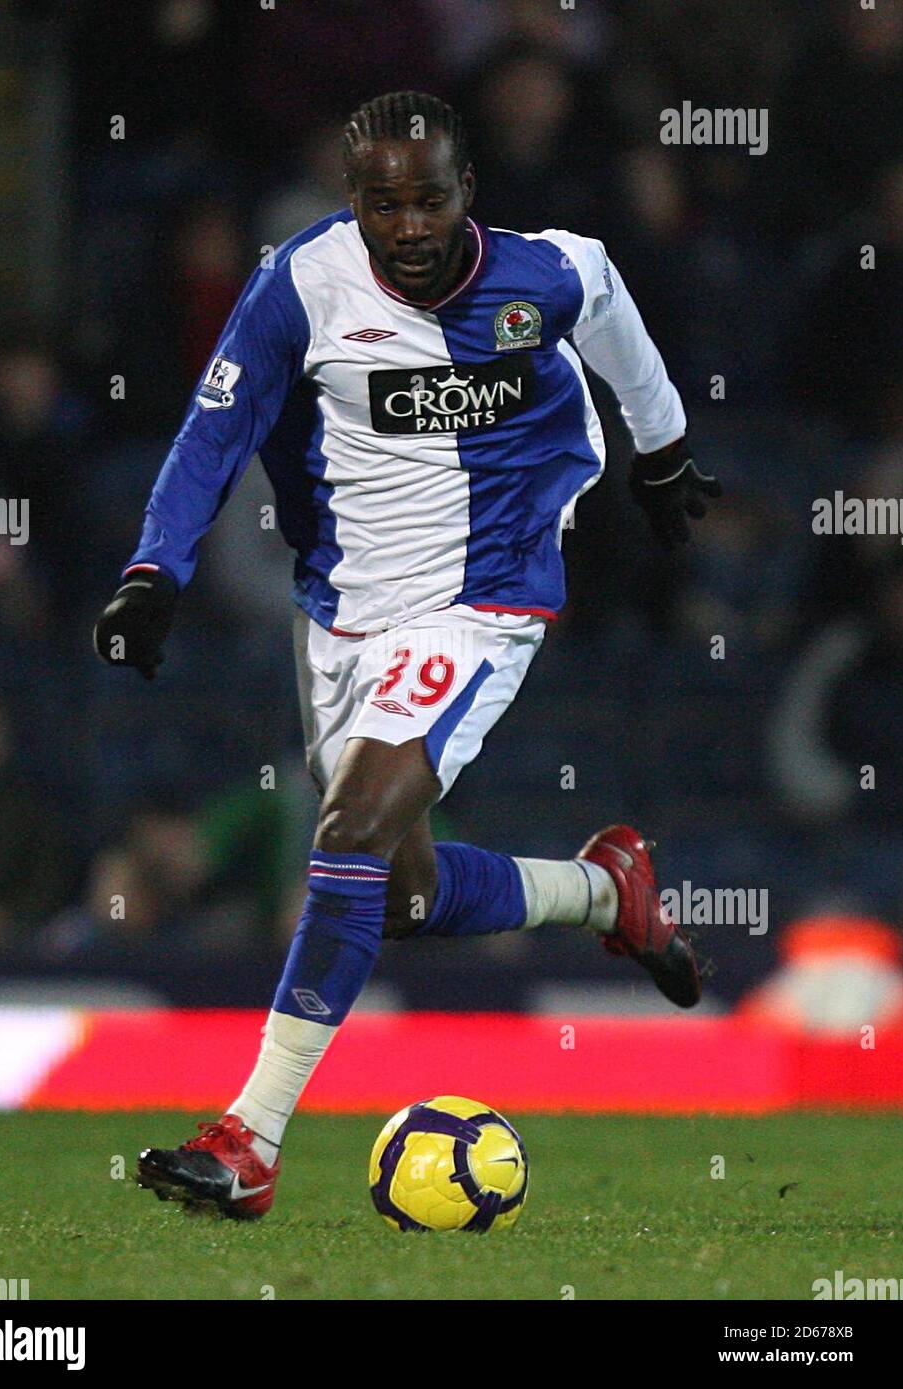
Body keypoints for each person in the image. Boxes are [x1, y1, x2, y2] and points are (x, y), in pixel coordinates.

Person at [94, 92, 719, 1220]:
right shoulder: (298, 284)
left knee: (349, 827)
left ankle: (250, 1139)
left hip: (485, 594)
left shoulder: (550, 275)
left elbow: (620, 320)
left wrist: (664, 452)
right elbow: (213, 431)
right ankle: (603, 891)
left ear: (465, 191)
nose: (412, 225)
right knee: (397, 895)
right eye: (387, 205)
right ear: (357, 204)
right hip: (341, 610)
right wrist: (153, 572)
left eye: (430, 198)